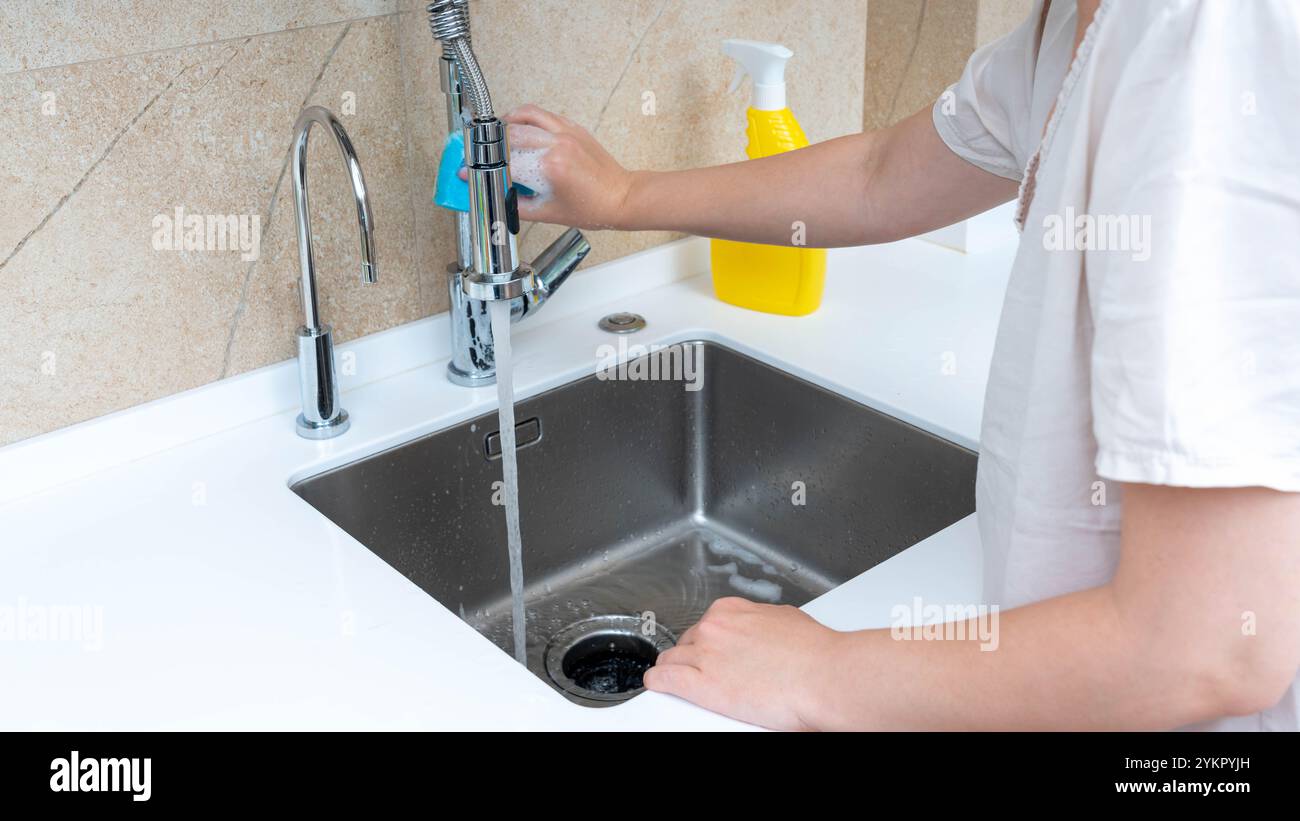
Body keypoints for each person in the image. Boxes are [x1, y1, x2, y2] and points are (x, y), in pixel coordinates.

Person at [499, 0, 1300, 730]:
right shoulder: (1078, 26)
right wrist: (625, 195)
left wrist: (826, 671)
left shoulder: (1206, 34)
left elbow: (1210, 645)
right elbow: (880, 175)